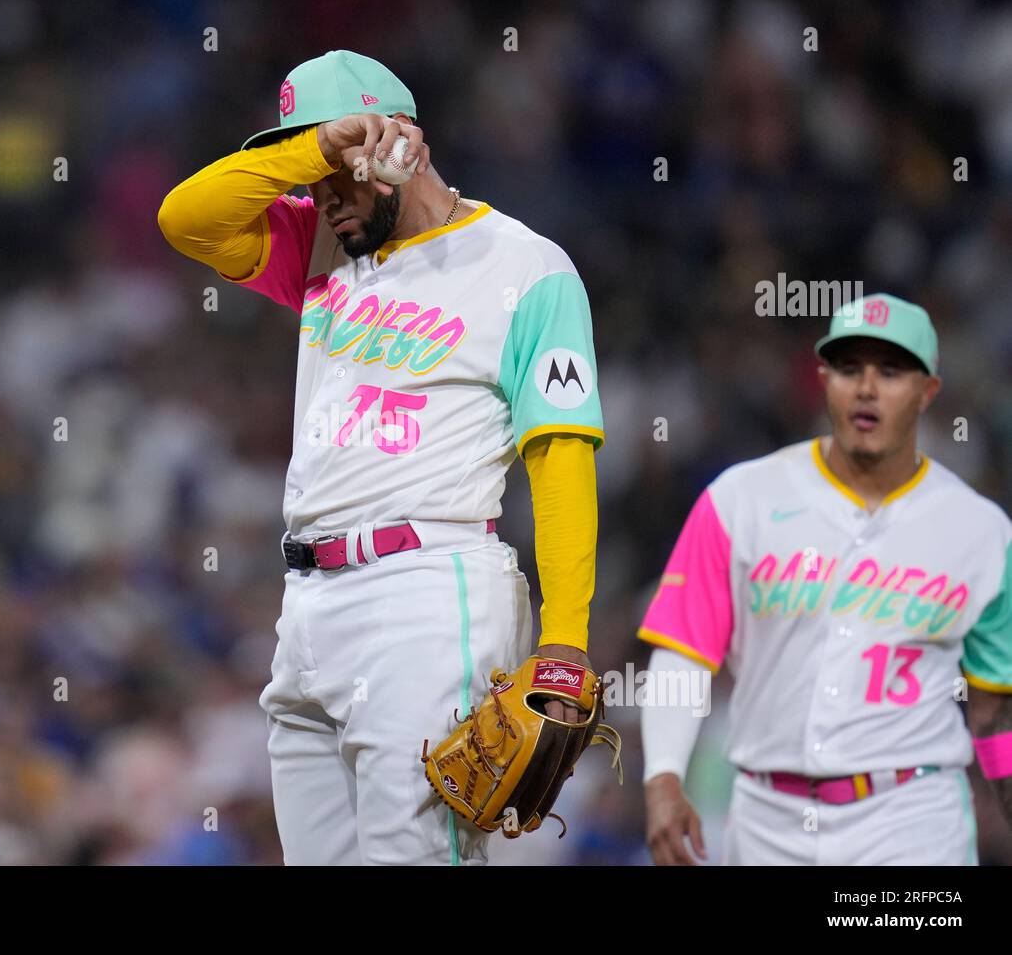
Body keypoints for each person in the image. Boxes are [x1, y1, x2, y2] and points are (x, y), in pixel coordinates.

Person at [157, 50, 606, 864]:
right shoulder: (323, 245)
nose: (323, 197)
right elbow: (184, 218)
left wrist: (567, 639)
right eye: (312, 171)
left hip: (429, 590)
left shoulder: (527, 266)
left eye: (343, 172)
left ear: (407, 143)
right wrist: (323, 151)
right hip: (306, 607)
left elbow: (562, 456)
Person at [638, 293, 1012, 865]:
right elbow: (684, 652)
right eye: (848, 368)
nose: (866, 387)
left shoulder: (982, 532)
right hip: (765, 818)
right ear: (823, 379)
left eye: (890, 371)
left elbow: (992, 706)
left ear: (928, 391)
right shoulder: (740, 499)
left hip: (911, 817)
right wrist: (663, 776)